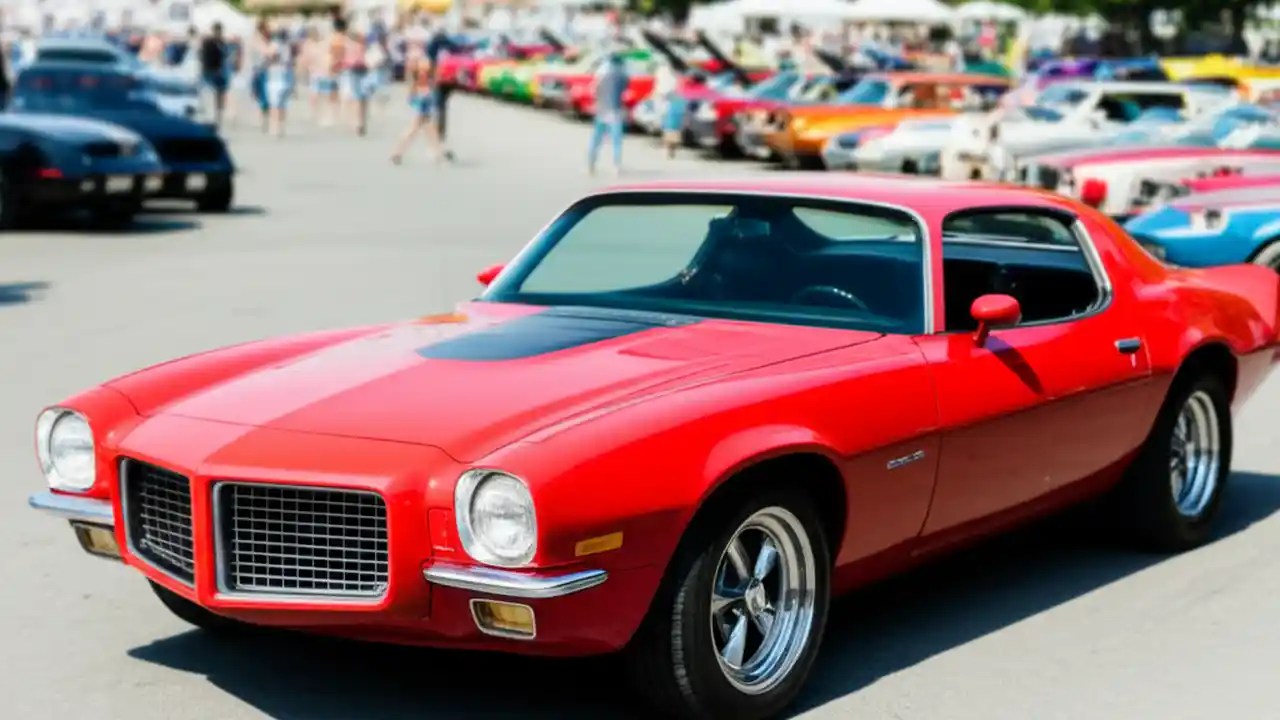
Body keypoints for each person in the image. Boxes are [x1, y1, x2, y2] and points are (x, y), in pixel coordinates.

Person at [390, 55, 446, 165]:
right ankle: (396, 153)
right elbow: (419, 91)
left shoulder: (424, 76)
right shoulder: (420, 76)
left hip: (424, 102)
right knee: (414, 130)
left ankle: (438, 154)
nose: (426, 68)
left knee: (430, 130)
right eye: (423, 66)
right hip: (422, 103)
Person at [587, 52, 628, 176]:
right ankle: (616, 166)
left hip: (601, 110)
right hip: (615, 111)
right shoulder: (623, 77)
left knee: (596, 139)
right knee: (616, 141)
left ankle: (591, 165)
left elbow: (594, 91)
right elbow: (623, 91)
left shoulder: (602, 77)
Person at [425, 24, 463, 142]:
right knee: (443, 105)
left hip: (438, 77)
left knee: (437, 104)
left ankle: (436, 129)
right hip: (450, 79)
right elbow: (459, 55)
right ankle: (441, 130)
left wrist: (429, 77)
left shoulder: (433, 44)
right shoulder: (451, 44)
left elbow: (429, 59)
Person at [199, 23, 230, 128]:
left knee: (220, 95)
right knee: (211, 94)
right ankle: (213, 117)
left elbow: (225, 56)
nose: (218, 33)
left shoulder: (222, 42)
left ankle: (218, 117)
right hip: (210, 71)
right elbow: (204, 57)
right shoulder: (208, 42)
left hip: (219, 71)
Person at [262, 37, 292, 138]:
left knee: (276, 107)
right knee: (279, 107)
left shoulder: (273, 61)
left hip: (276, 84)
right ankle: (278, 127)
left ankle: (276, 127)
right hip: (277, 84)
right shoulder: (280, 61)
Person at [654, 61, 681, 159]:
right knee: (672, 127)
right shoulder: (674, 76)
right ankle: (670, 148)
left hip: (667, 103)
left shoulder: (663, 74)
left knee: (668, 128)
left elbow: (658, 89)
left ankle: (669, 148)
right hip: (672, 102)